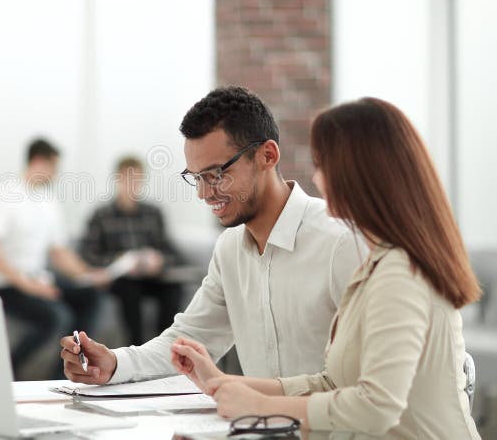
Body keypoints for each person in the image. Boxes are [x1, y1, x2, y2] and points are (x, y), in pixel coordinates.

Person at [170, 98, 481, 438]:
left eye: (322, 165)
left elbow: (376, 406)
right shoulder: (376, 265)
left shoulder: (399, 271)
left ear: (362, 174)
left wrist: (259, 406)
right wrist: (224, 383)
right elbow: (332, 383)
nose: (317, 178)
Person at [60, 86, 365, 384]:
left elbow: (373, 384)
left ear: (267, 156)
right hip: (256, 426)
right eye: (196, 178)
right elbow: (189, 339)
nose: (204, 193)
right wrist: (113, 363)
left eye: (217, 174)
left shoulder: (340, 242)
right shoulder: (230, 249)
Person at [0, 138, 108, 379]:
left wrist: (87, 274)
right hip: (6, 285)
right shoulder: (5, 195)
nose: (56, 175)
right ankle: (5, 371)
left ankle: (62, 376)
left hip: (38, 280)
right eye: (54, 168)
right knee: (58, 315)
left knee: (90, 297)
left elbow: (59, 252)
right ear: (38, 162)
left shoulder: (48, 202)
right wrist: (28, 286)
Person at [80, 156, 185, 346]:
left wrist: (159, 260)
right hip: (122, 281)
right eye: (128, 180)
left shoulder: (153, 213)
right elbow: (89, 254)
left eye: (137, 180)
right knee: (129, 288)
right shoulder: (101, 215)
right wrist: (119, 261)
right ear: (118, 180)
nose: (132, 185)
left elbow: (171, 252)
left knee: (173, 288)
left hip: (151, 277)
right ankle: (136, 345)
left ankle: (164, 345)